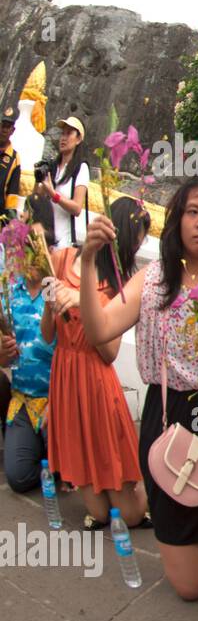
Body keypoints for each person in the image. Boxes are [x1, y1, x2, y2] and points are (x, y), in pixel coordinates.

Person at [79, 177, 198, 600]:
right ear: (178, 218)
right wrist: (88, 261)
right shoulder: (153, 281)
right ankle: (190, 538)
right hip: (171, 423)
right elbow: (99, 330)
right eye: (193, 212)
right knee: (191, 587)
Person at [46, 196, 151, 529]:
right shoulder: (61, 259)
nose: (140, 243)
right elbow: (48, 335)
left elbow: (109, 354)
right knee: (103, 514)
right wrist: (51, 302)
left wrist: (83, 303)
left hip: (95, 381)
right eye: (139, 234)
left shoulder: (119, 284)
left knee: (131, 516)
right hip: (65, 376)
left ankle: (155, 483)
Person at [0, 203, 57, 491]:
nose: (32, 254)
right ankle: (52, 462)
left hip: (59, 401)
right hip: (22, 399)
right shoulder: (10, 291)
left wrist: (58, 403)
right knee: (19, 477)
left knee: (67, 462)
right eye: (26, 246)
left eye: (38, 246)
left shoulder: (61, 293)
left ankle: (61, 460)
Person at [31, 117, 89, 248]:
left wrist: (54, 195)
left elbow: (77, 208)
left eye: (69, 133)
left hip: (63, 243)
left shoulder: (81, 168)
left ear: (78, 139)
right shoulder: (52, 166)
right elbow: (36, 198)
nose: (64, 138)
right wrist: (38, 180)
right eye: (63, 133)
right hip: (42, 239)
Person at [0, 109, 21, 217]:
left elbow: (12, 193)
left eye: (7, 127)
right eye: (3, 125)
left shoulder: (14, 158)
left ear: (12, 130)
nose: (4, 130)